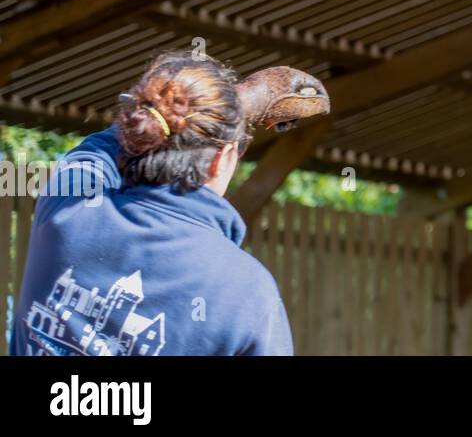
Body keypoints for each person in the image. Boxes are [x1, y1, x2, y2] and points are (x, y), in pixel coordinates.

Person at [10, 52, 300, 356]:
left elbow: (95, 150)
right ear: (221, 159)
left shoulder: (70, 208)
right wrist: (231, 110)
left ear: (138, 130)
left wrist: (232, 106)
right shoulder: (246, 291)